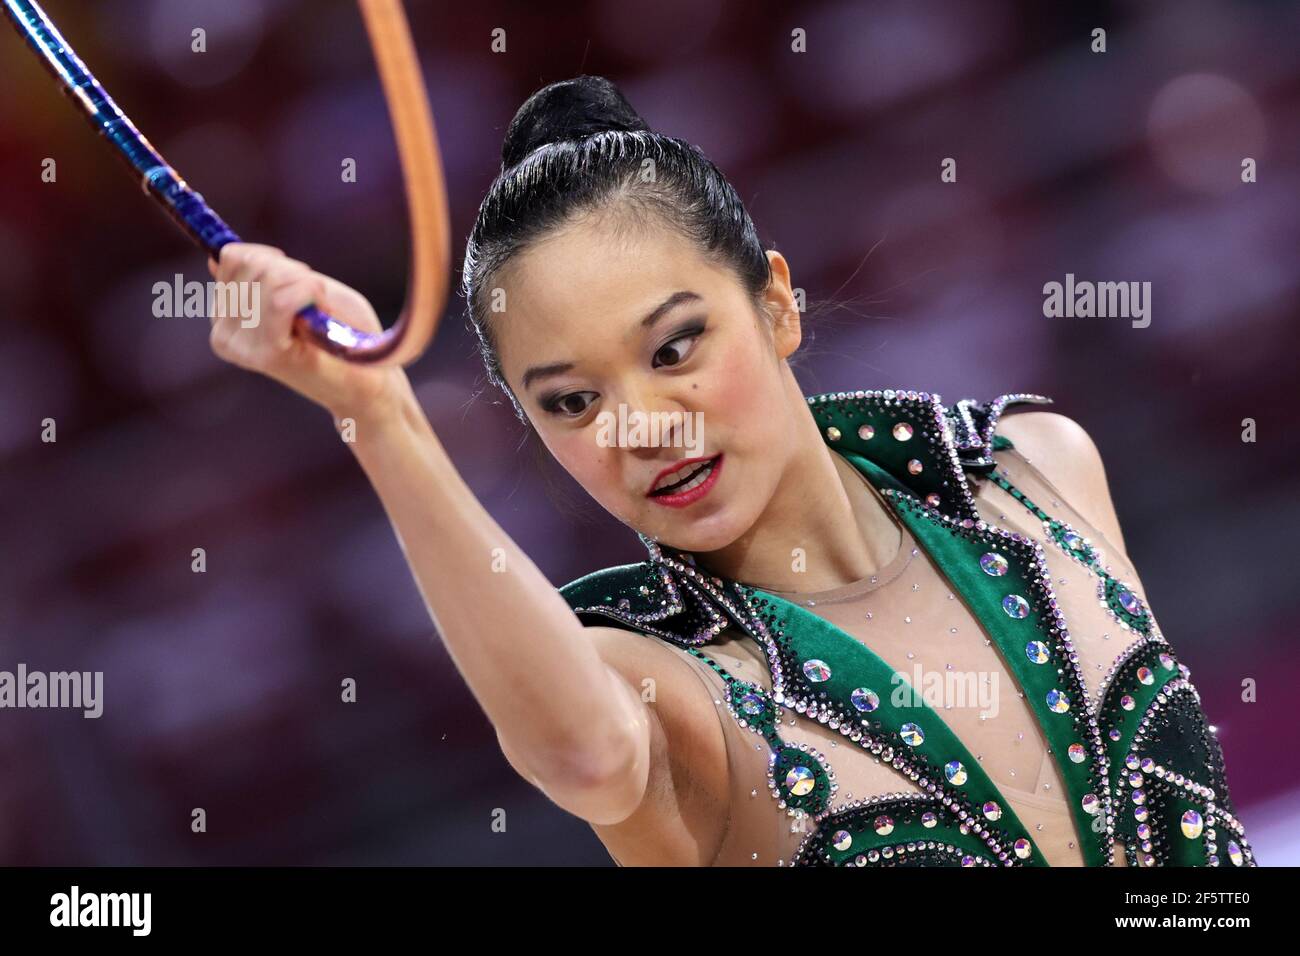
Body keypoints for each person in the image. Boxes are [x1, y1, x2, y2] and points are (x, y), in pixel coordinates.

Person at [207, 75, 1256, 867]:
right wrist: (380, 417)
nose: (641, 427)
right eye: (572, 402)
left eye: (674, 348)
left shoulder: (1037, 469)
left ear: (777, 304)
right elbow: (581, 752)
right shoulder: (665, 693)